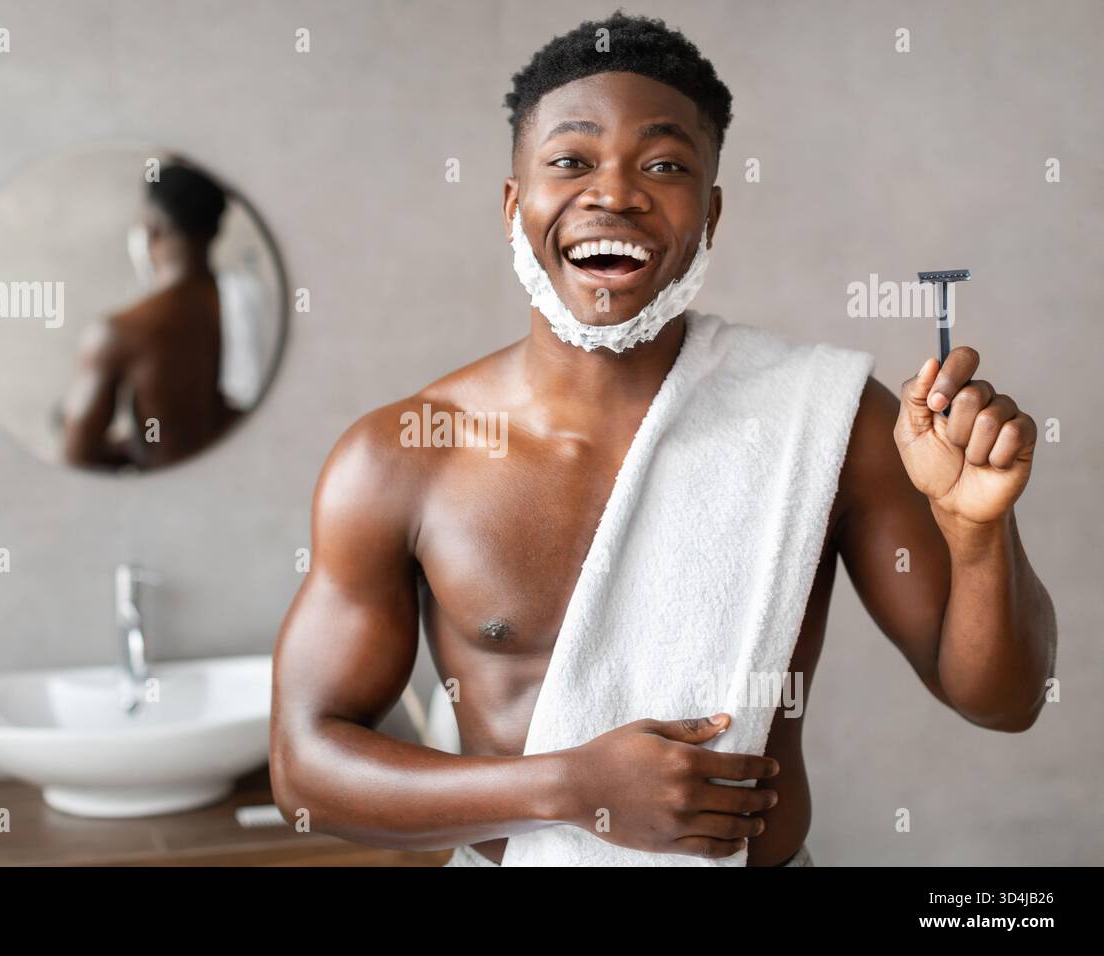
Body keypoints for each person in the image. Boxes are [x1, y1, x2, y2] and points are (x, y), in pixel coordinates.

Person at [270, 11, 1056, 866]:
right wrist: (571, 789)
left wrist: (976, 532)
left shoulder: (830, 420)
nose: (614, 193)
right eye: (570, 161)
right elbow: (305, 770)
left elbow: (1004, 702)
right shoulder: (401, 457)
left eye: (665, 165)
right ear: (512, 204)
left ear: (710, 215)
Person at [61, 161, 242, 470]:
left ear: (151, 226)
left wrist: (137, 449)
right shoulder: (245, 306)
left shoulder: (118, 331)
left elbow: (77, 456)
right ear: (214, 227)